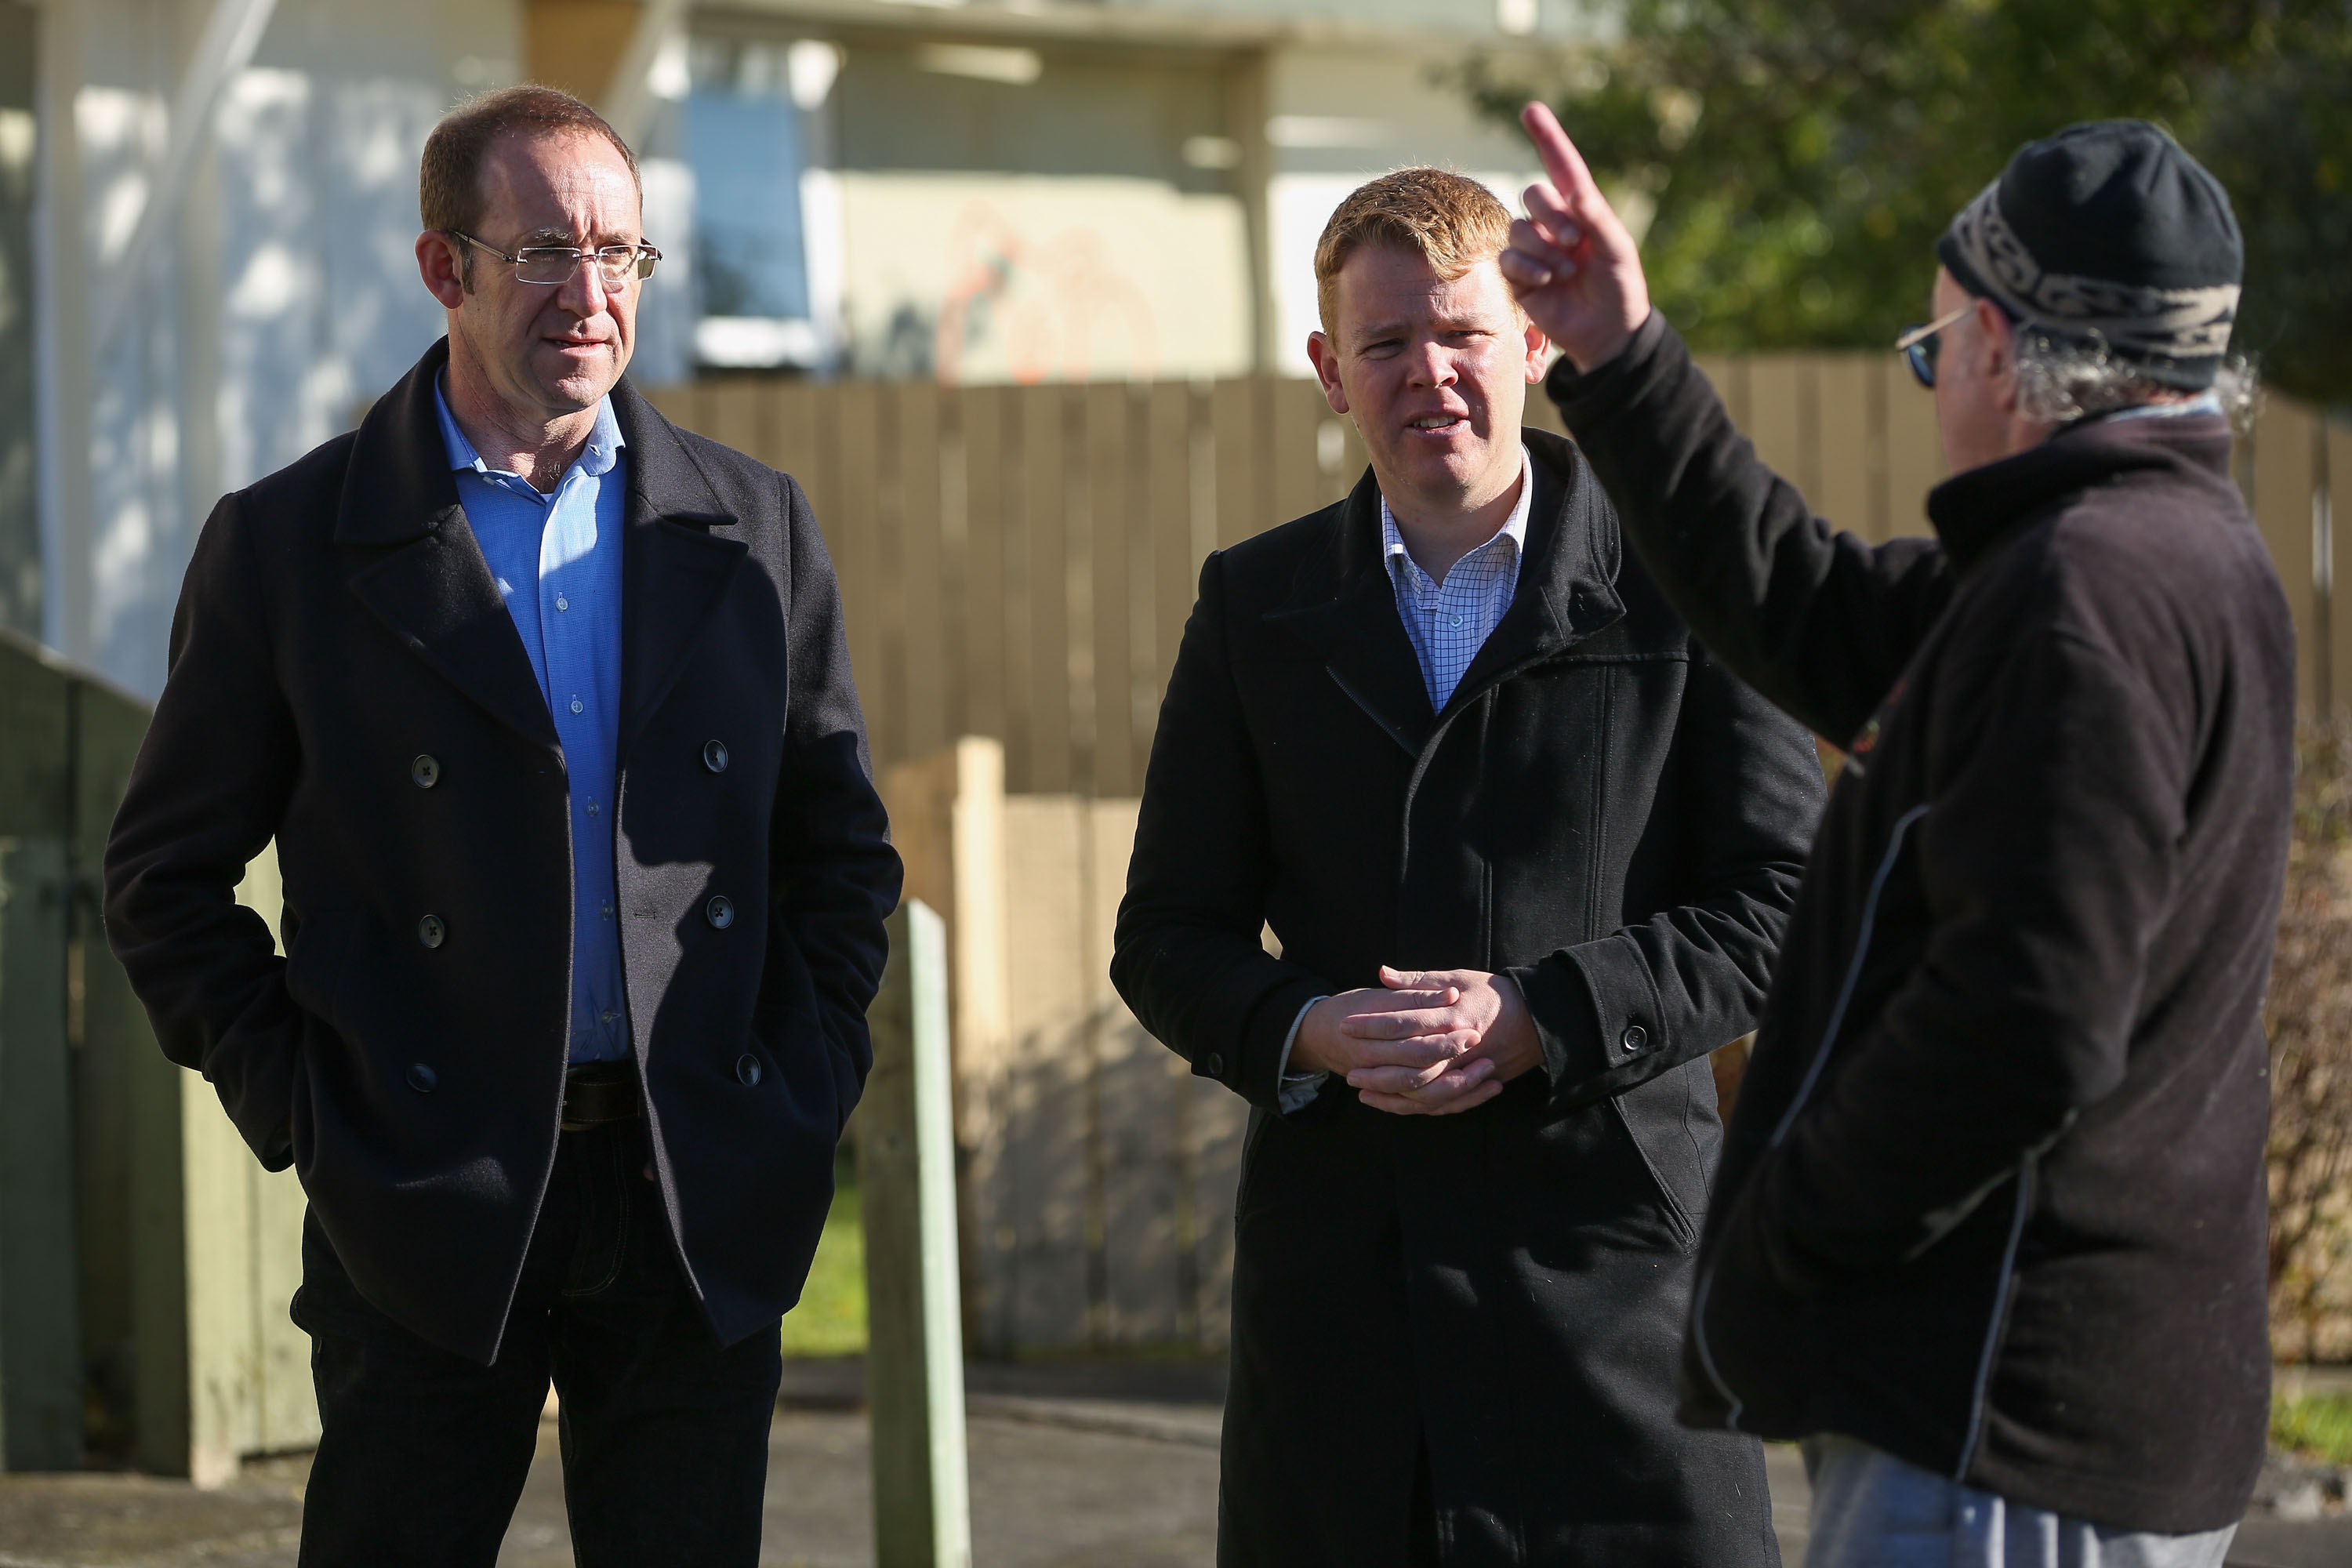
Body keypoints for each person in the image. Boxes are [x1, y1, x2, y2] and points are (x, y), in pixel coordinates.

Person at [103, 85, 899, 1565]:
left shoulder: (749, 524)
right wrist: (312, 1115)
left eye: (620, 254)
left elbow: (841, 855)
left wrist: (795, 1080)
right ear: (442, 268)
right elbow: (162, 883)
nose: (590, 296)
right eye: (541, 252)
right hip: (425, 1187)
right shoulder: (288, 543)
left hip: (691, 1184)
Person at [1503, 107, 2289, 1566]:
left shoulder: (2086, 598)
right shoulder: (2159, 555)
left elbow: (2030, 1020)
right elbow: (1804, 604)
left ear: (2000, 345)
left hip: (2003, 1432)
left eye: (1931, 353)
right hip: (2073, 1419)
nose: (1936, 387)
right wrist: (1622, 357)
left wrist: (1791, 1221)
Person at [1112, 167, 1824, 1566]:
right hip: (1341, 1308)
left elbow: (1788, 903)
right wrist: (1305, 1030)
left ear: (1534, 344)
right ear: (1329, 371)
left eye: (1463, 336)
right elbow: (1165, 934)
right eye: (1385, 345)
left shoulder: (1681, 582)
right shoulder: (1254, 608)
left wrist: (1540, 1018)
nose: (1427, 374)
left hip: (1617, 1295)